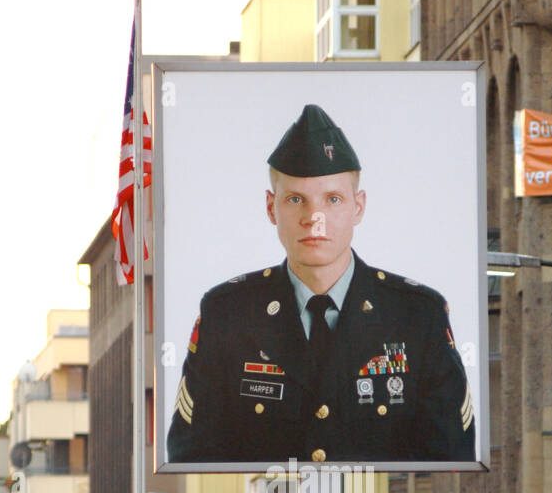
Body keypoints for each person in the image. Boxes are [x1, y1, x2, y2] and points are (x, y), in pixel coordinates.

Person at [166, 103, 476, 465]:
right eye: (296, 199)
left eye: (333, 200)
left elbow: (450, 458)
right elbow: (193, 455)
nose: (314, 218)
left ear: (358, 207)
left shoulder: (417, 316)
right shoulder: (228, 314)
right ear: (271, 207)